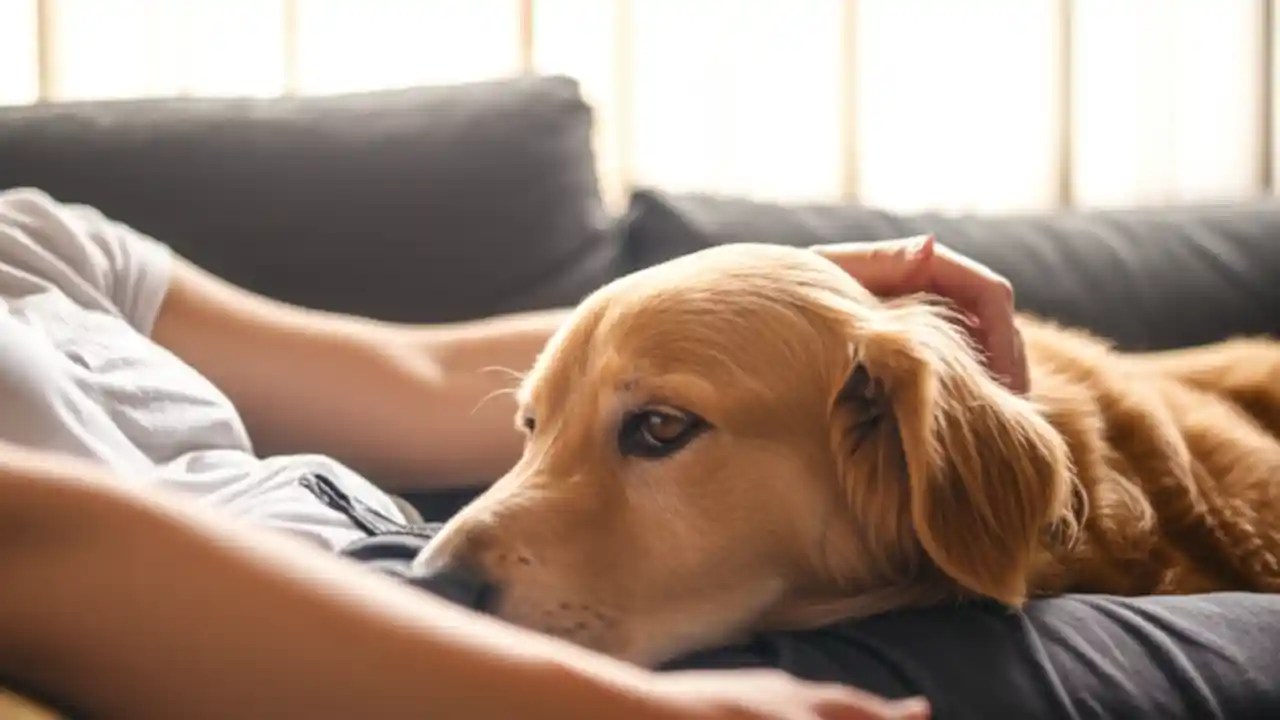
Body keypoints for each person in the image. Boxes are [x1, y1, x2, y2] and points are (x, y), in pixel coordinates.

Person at [0, 187, 1020, 720]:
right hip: (412, 674)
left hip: (452, 596)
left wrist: (781, 298)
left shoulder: (34, 240)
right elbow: (33, 549)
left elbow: (419, 381)